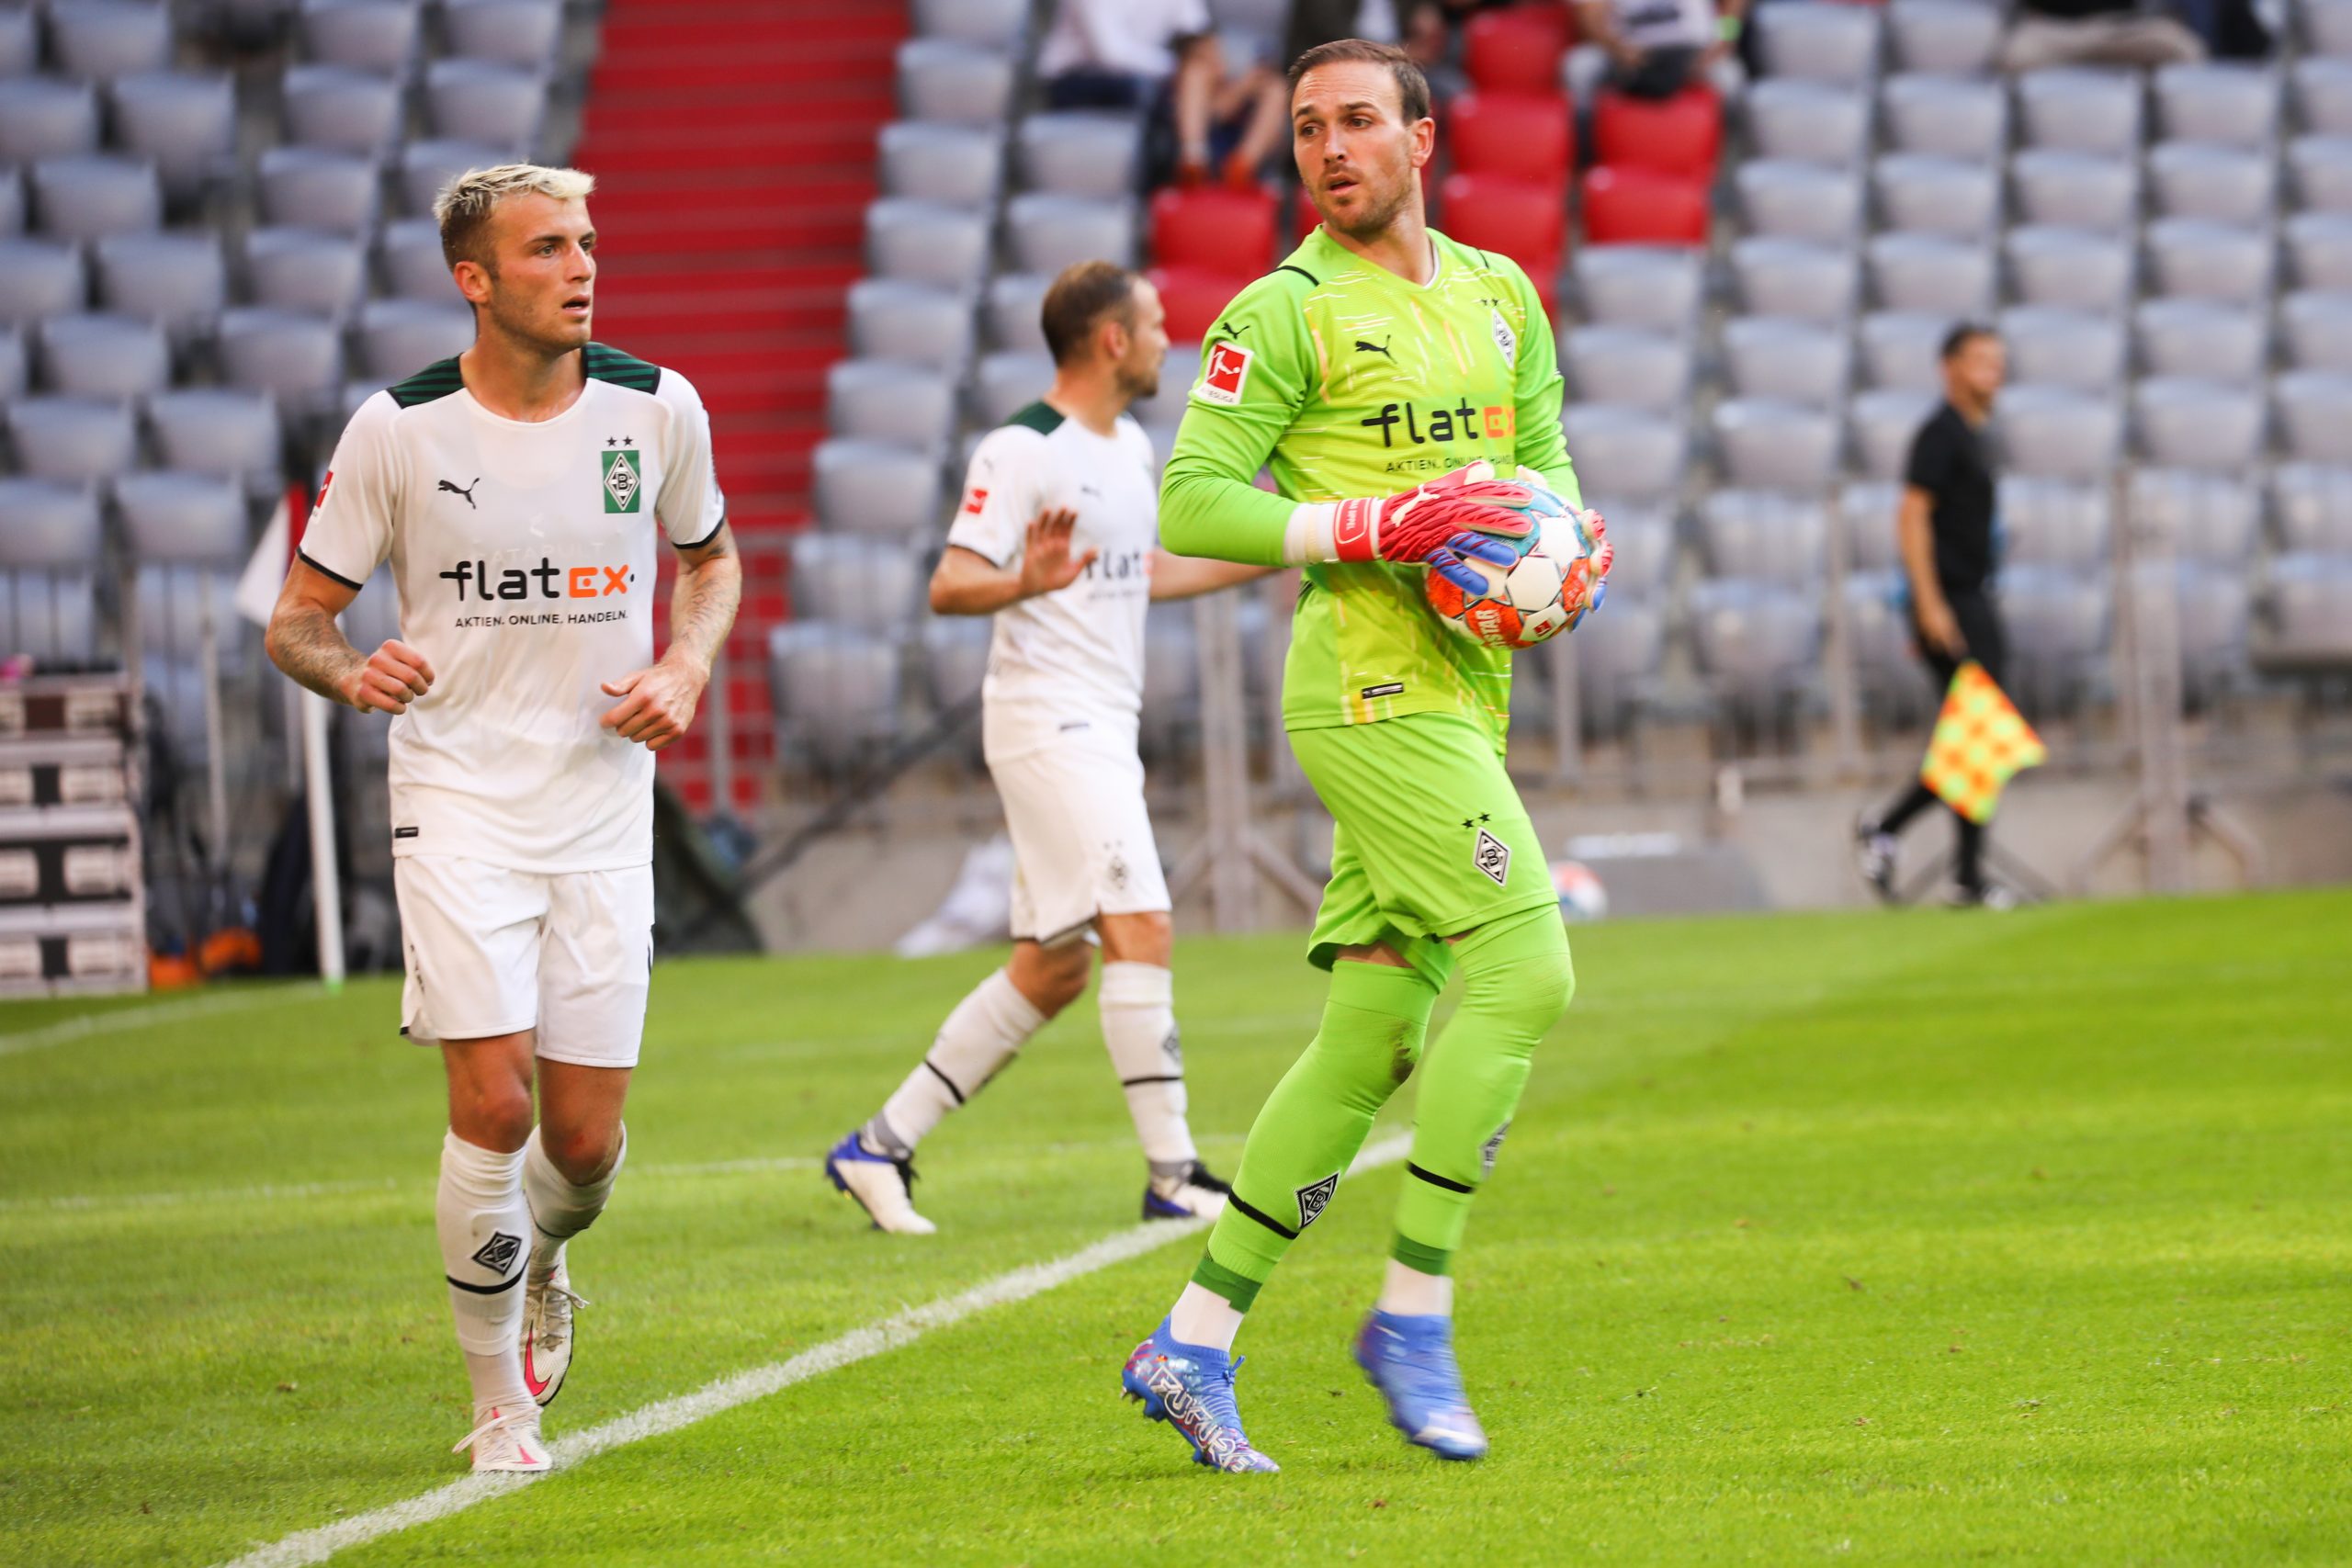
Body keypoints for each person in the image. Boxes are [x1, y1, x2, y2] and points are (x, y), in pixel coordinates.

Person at [1116, 39, 1611, 1472]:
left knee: (1376, 1036)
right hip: (1365, 696)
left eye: (1354, 123)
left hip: (1466, 695)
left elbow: (1547, 461)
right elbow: (1194, 500)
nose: (1328, 149)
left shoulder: (1499, 292)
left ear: (1422, 138)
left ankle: (1193, 1339)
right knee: (1531, 968)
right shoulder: (1281, 314)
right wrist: (1368, 526)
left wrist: (1567, 550)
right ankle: (1413, 1312)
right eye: (1305, 129)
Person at [264, 164, 740, 1472]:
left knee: (581, 1145)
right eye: (546, 249)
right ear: (473, 278)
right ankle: (496, 1407)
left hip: (600, 808)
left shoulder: (658, 406)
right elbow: (298, 619)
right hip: (457, 799)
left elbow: (711, 562)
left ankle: (540, 1255)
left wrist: (685, 664)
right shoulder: (397, 430)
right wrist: (353, 670)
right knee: (492, 1096)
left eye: (588, 241)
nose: (581, 266)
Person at [824, 261, 1272, 1235]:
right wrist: (1024, 580)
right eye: (1153, 324)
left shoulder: (1126, 450)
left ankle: (878, 1147)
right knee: (1140, 922)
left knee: (1053, 967)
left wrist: (1295, 542)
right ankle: (1173, 1174)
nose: (1165, 339)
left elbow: (1140, 571)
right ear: (1111, 339)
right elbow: (950, 584)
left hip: (1101, 721)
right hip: (1047, 718)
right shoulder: (1018, 450)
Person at [1856, 323, 2015, 910]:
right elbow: (1912, 515)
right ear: (1949, 367)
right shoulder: (1940, 435)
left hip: (1974, 596)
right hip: (1954, 602)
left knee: (1979, 740)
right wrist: (1928, 605)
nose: (1991, 372)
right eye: (1979, 360)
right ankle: (1906, 838)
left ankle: (1951, 865)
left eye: (1997, 361)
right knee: (1979, 736)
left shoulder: (1976, 434)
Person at [1040, 0, 1289, 189]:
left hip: (1145, 74)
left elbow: (1199, 35)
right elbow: (1110, 53)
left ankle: (1237, 163)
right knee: (1175, 81)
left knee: (1265, 85)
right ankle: (1191, 155)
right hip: (1079, 77)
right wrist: (1179, 69)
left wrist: (1230, 78)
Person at [1568, 0, 1747, 105]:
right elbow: (1589, 14)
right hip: (1625, 51)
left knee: (1728, 76)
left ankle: (1722, 161)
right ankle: (1587, 158)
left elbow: (1733, 6)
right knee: (1581, 66)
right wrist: (1615, 47)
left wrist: (1724, 40)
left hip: (1697, 51)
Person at [1999, 0, 2203, 72]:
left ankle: (2097, 61)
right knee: (2015, 55)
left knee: (2185, 49)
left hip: (2117, 29)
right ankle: (2093, 62)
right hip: (2056, 30)